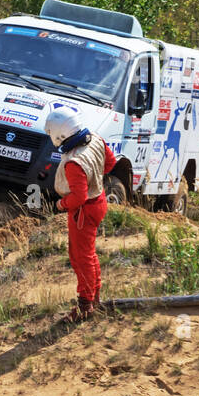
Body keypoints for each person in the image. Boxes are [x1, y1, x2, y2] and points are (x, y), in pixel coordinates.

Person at [46, 104, 116, 321]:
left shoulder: (74, 162)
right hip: (100, 201)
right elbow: (110, 163)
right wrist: (94, 178)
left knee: (80, 257)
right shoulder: (95, 138)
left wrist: (61, 205)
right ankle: (94, 298)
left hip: (83, 212)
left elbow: (79, 197)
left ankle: (85, 306)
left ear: (60, 134)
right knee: (88, 254)